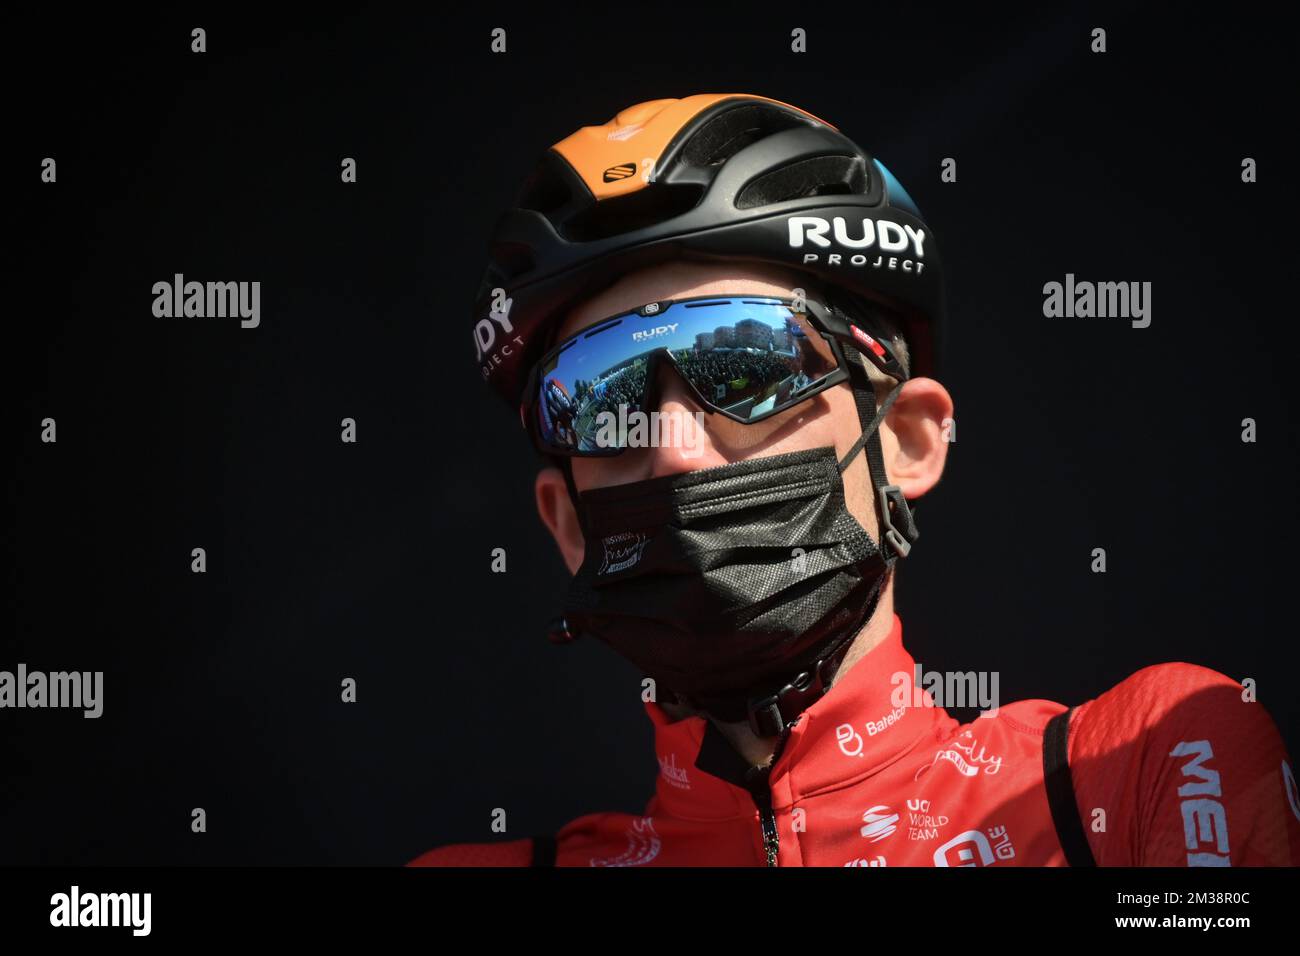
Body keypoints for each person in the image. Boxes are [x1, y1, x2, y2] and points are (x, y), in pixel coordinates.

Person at [414, 94, 1300, 867]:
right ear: (569, 524)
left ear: (906, 441)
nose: (673, 446)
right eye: (599, 397)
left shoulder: (1137, 773)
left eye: (747, 362)